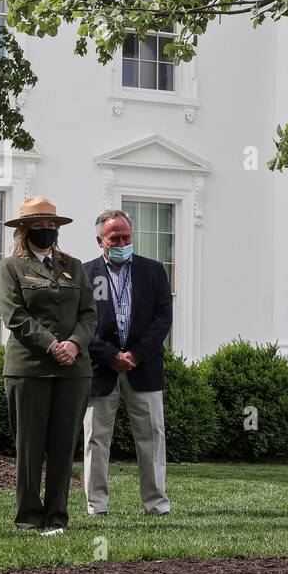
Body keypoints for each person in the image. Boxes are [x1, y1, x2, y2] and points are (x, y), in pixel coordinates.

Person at [0, 196, 96, 535]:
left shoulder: (74, 266)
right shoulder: (11, 267)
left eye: (51, 225)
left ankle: (57, 516)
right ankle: (28, 515)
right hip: (29, 368)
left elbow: (88, 314)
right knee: (30, 445)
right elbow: (15, 316)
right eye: (39, 226)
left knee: (63, 445)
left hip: (73, 369)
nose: (46, 231)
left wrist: (74, 344)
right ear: (24, 230)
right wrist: (53, 345)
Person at [82, 208, 174, 516]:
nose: (122, 242)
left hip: (143, 368)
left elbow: (163, 319)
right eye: (115, 238)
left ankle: (157, 504)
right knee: (96, 441)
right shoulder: (85, 274)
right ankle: (97, 506)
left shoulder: (154, 271)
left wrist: (135, 354)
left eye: (126, 236)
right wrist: (110, 355)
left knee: (152, 438)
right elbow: (81, 324)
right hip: (100, 370)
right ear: (100, 240)